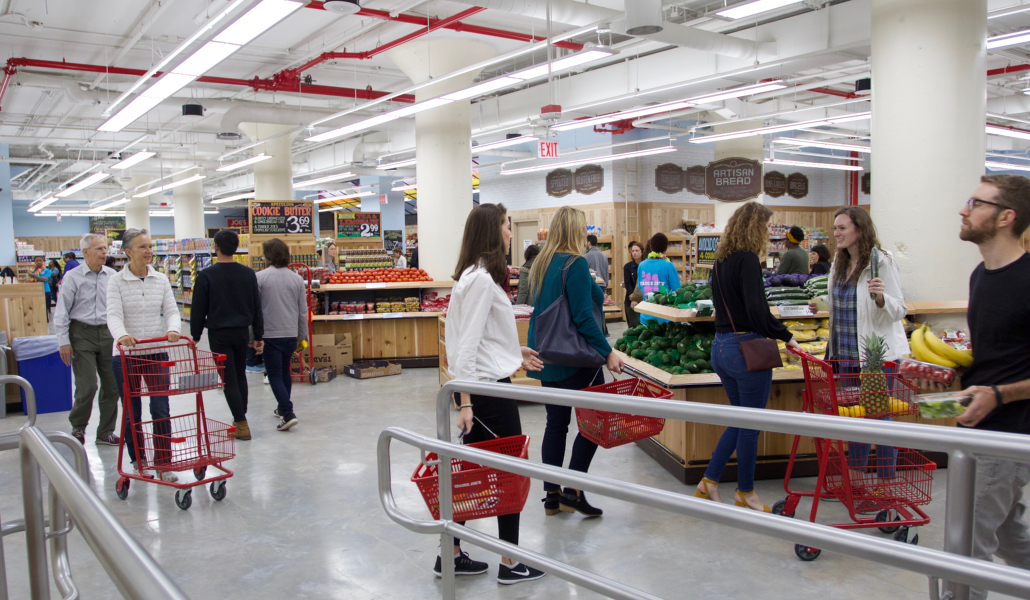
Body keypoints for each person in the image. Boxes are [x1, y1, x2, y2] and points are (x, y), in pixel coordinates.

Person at [444, 202, 545, 584]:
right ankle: (510, 561)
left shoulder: (472, 275)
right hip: (487, 394)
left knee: (473, 473)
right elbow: (465, 347)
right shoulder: (483, 280)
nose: (509, 232)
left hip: (482, 388)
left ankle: (449, 554)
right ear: (492, 232)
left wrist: (512, 352)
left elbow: (477, 338)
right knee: (508, 473)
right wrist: (466, 402)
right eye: (505, 226)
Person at [948, 174, 1030, 600]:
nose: (964, 209)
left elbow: (1003, 380)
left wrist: (999, 395)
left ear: (1006, 217)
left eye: (976, 203)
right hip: (975, 428)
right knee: (1008, 533)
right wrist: (950, 378)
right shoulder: (981, 274)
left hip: (1010, 431)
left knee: (965, 545)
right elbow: (995, 360)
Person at [694, 202, 800, 511]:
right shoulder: (749, 261)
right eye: (766, 227)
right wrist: (787, 336)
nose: (769, 233)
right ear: (755, 228)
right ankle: (746, 492)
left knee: (739, 419)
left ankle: (709, 482)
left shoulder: (721, 261)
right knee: (751, 425)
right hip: (746, 350)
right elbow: (757, 312)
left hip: (721, 348)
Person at [528, 206, 624, 518]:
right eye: (582, 229)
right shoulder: (576, 264)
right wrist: (608, 352)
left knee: (555, 424)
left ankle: (552, 496)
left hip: (548, 357)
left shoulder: (541, 264)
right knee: (595, 424)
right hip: (576, 360)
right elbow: (584, 318)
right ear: (575, 231)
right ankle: (574, 489)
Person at [814, 206, 909, 479]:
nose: (836, 233)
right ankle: (856, 481)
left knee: (879, 419)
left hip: (874, 358)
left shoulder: (881, 262)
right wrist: (819, 303)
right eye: (835, 228)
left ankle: (886, 482)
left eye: (842, 228)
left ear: (860, 229)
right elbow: (842, 301)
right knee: (855, 417)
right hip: (844, 355)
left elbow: (899, 309)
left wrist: (881, 298)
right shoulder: (839, 262)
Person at [106, 228, 181, 482]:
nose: (149, 251)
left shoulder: (160, 280)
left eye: (150, 246)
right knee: (132, 410)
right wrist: (121, 335)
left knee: (161, 407)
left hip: (156, 352)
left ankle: (164, 462)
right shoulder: (116, 281)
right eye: (142, 247)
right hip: (126, 355)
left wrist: (173, 328)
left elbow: (171, 310)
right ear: (128, 252)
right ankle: (139, 460)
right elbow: (113, 315)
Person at [190, 230, 263, 441]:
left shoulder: (207, 275)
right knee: (240, 375)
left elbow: (198, 309)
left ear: (216, 248)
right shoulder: (248, 274)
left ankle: (241, 423)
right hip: (242, 332)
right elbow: (256, 307)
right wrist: (258, 334)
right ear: (237, 247)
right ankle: (240, 418)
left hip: (219, 334)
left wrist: (195, 335)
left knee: (227, 378)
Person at [54, 233, 120, 447]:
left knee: (112, 386)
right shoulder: (72, 277)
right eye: (99, 249)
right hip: (81, 334)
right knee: (88, 385)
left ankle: (105, 432)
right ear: (85, 252)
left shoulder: (112, 276)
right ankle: (78, 427)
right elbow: (62, 312)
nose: (104, 252)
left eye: (105, 248)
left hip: (108, 334)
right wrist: (63, 341)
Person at [256, 238, 309, 432]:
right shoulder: (296, 278)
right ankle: (281, 407)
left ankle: (287, 413)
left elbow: (256, 310)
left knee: (274, 374)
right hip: (291, 333)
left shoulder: (260, 278)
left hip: (270, 333)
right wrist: (303, 339)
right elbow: (303, 311)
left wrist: (254, 336)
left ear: (268, 255)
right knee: (286, 371)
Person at [632, 233, 681, 324]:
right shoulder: (668, 266)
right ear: (665, 248)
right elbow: (677, 291)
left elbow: (640, 286)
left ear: (651, 247)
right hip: (665, 318)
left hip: (646, 315)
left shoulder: (642, 265)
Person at [623, 241, 644, 328]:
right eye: (633, 251)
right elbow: (627, 284)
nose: (634, 253)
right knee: (634, 328)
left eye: (637, 251)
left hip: (644, 300)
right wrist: (633, 299)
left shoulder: (645, 265)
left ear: (642, 252)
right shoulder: (627, 266)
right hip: (631, 300)